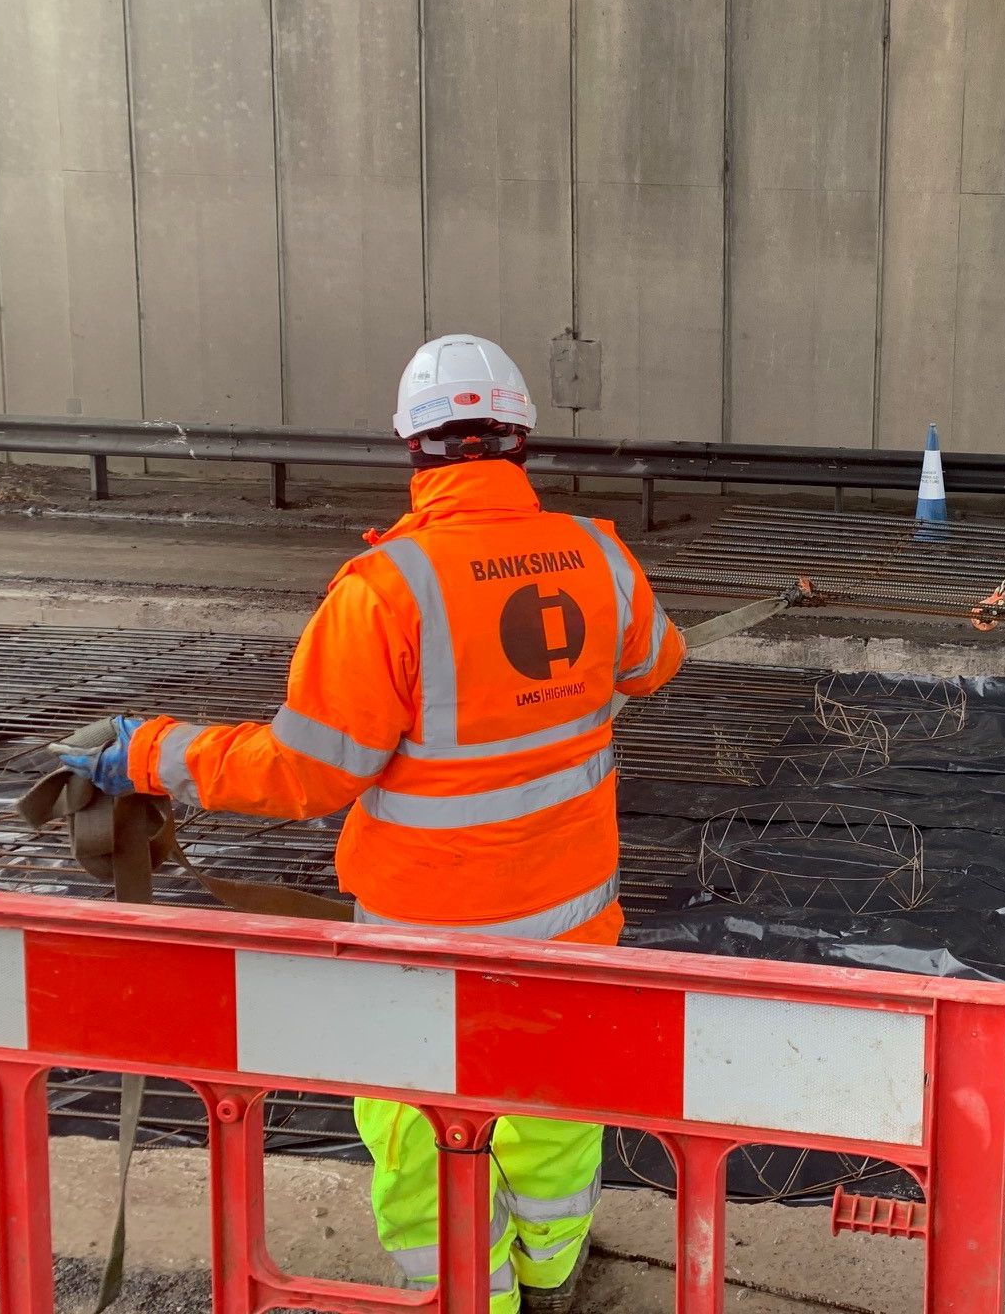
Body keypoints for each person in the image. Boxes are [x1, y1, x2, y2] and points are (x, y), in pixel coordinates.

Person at [58, 334, 684, 1314]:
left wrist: (149, 754)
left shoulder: (386, 592)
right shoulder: (599, 556)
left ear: (415, 449)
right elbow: (656, 663)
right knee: (553, 1112)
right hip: (573, 929)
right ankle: (555, 1277)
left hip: (423, 948)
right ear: (520, 438)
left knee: (422, 1137)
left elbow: (306, 773)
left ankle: (472, 1300)